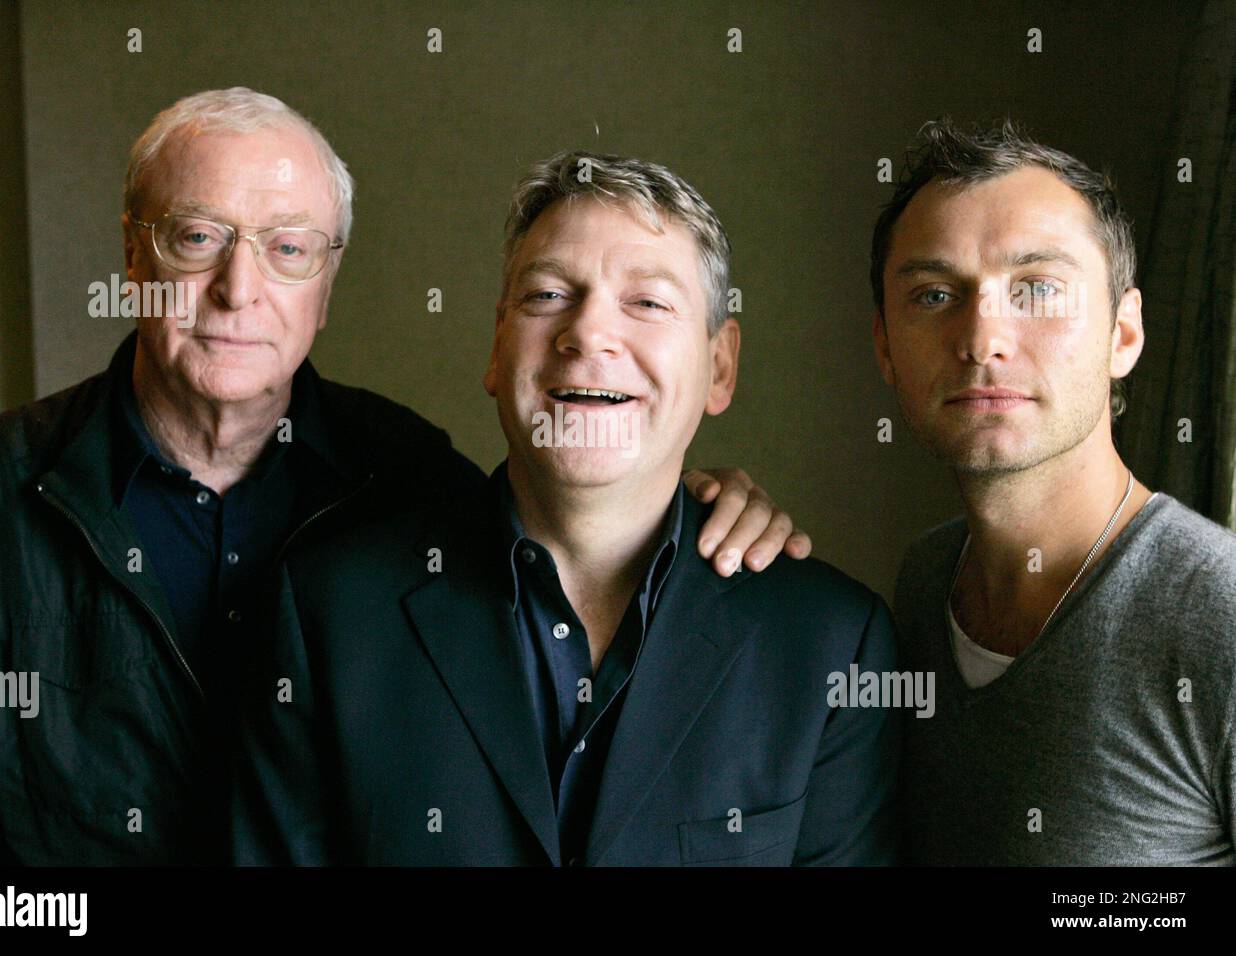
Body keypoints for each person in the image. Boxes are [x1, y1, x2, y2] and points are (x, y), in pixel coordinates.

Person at [0, 88, 808, 865]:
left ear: (328, 279)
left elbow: (579, 513)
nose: (239, 289)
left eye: (288, 248)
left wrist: (692, 501)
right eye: (198, 238)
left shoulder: (413, 477)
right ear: (134, 256)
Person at [239, 150, 899, 866]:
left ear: (720, 365)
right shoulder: (327, 611)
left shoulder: (833, 644)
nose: (587, 333)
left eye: (647, 302)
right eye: (548, 295)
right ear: (497, 349)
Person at [872, 119, 1236, 864]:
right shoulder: (920, 586)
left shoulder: (1217, 618)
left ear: (1123, 336)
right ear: (885, 347)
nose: (982, 338)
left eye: (1037, 288)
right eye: (936, 295)